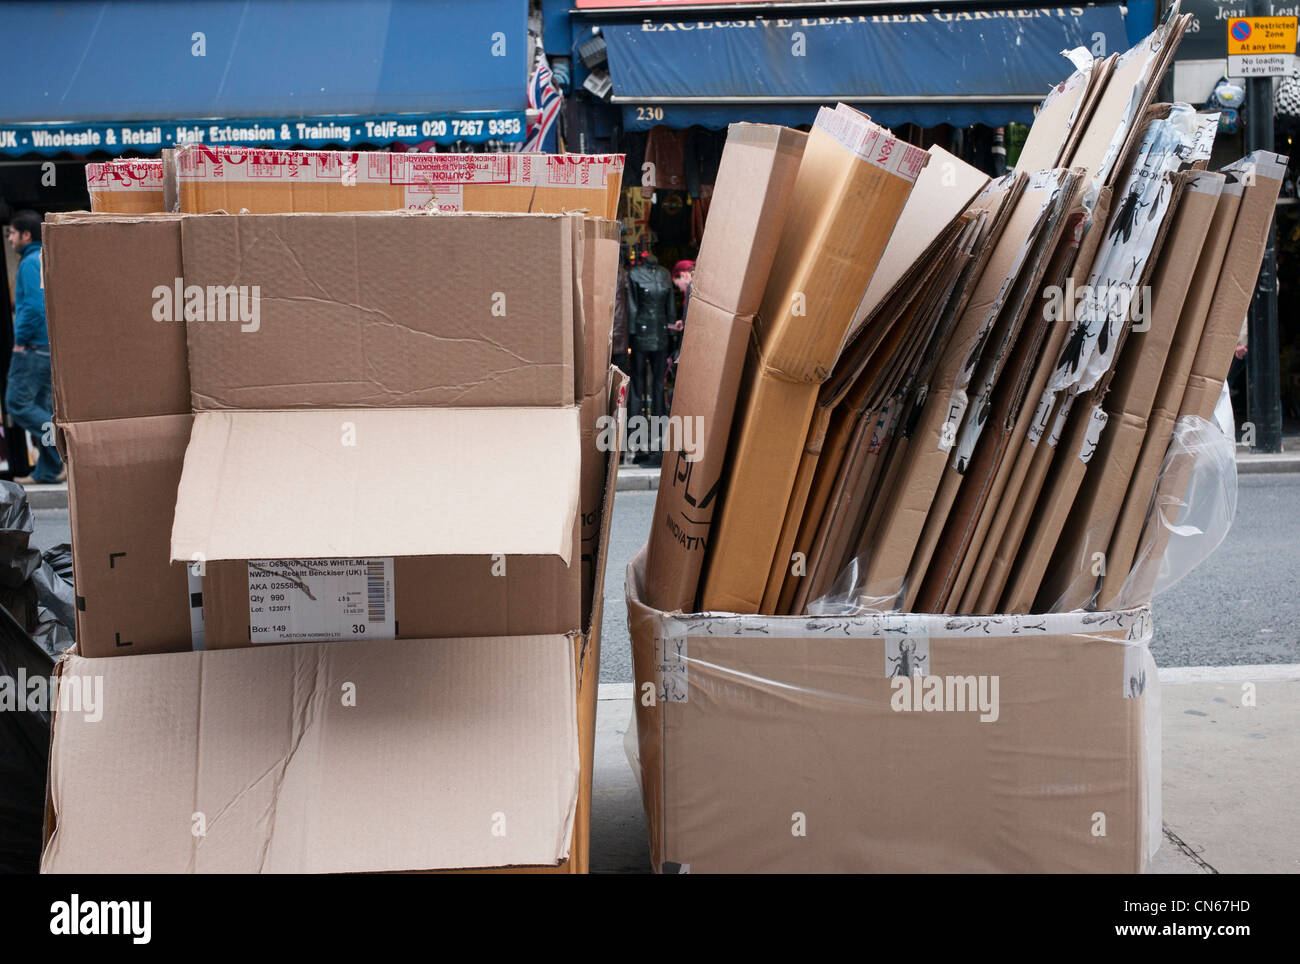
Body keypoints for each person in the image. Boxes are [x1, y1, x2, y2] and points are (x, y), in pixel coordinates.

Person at [6, 211, 63, 484]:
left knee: (16, 403)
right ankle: (49, 470)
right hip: (47, 345)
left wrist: (20, 341)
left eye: (12, 233)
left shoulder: (29, 262)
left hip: (32, 347)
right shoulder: (46, 257)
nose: (9, 238)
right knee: (41, 404)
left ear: (26, 235)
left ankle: (58, 443)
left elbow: (31, 307)